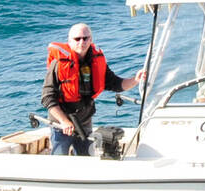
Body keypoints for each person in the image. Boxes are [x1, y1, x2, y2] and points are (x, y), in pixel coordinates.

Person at [42, 23, 144, 156]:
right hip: (62, 125)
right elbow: (47, 98)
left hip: (84, 122)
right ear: (69, 41)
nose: (82, 42)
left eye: (85, 38)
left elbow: (116, 83)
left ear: (91, 40)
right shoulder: (58, 64)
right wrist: (64, 121)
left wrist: (136, 80)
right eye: (77, 39)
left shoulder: (97, 60)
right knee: (60, 159)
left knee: (86, 158)